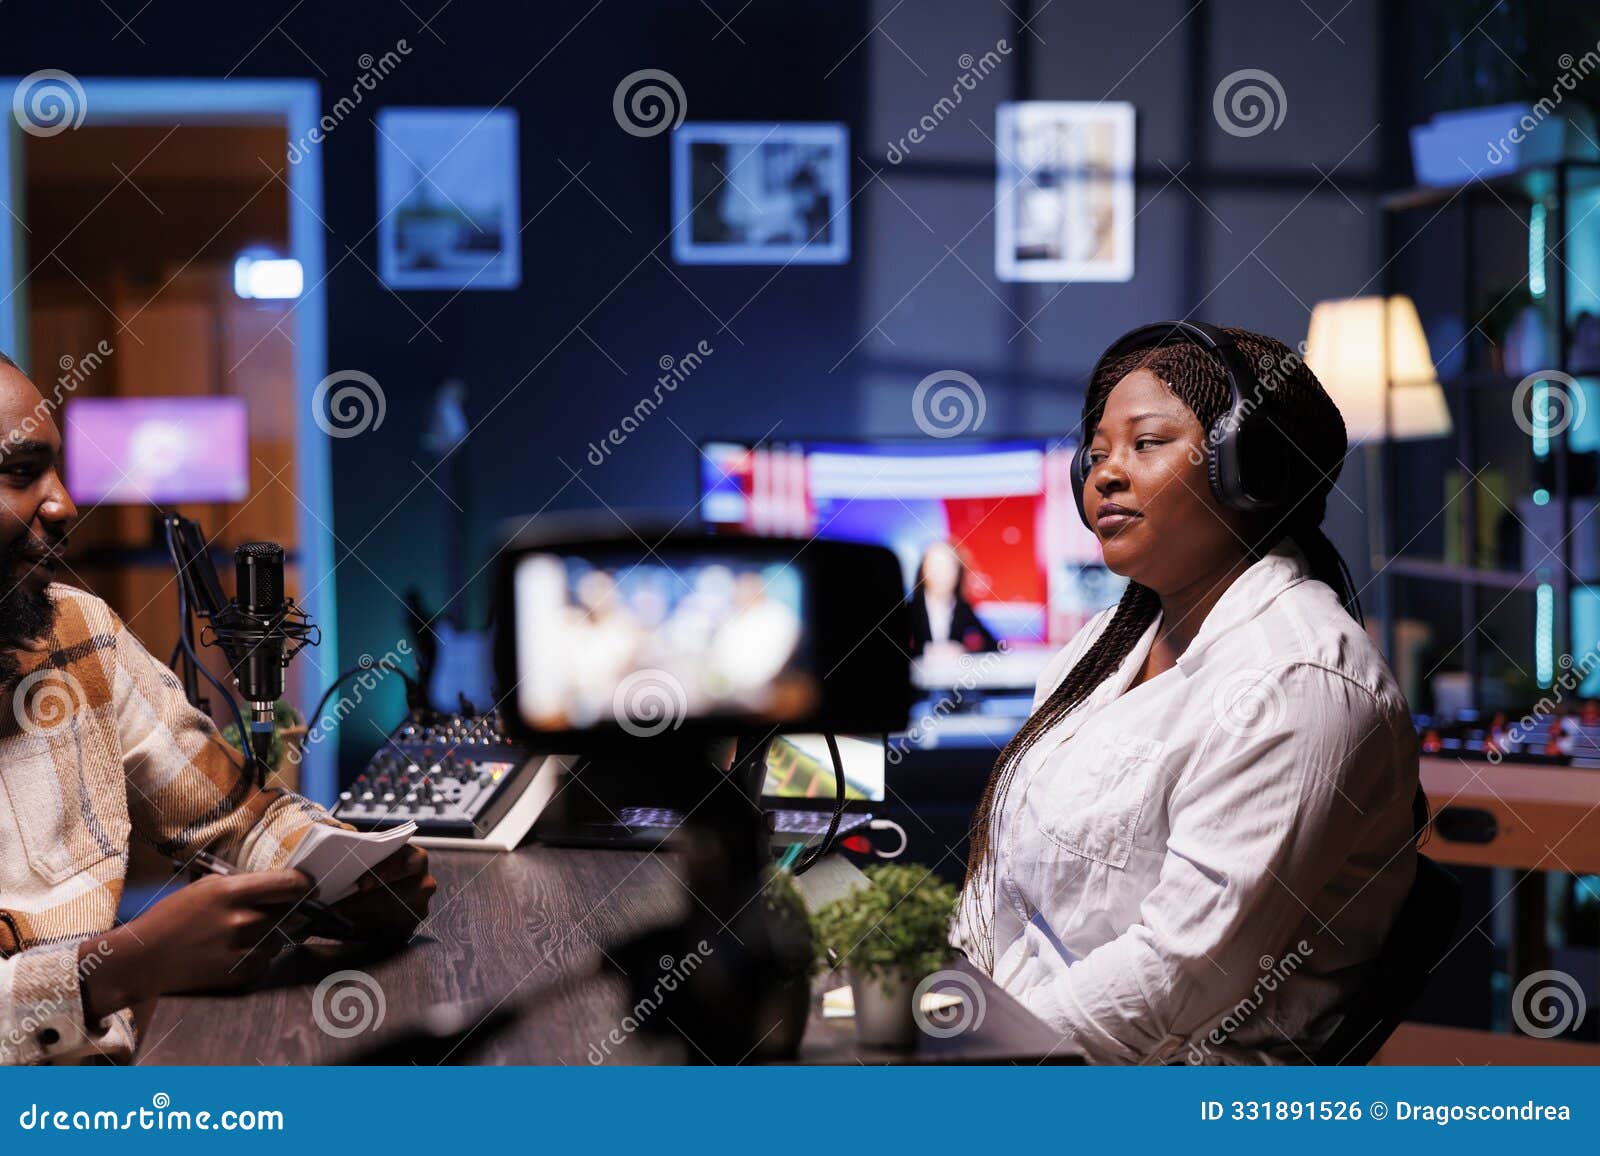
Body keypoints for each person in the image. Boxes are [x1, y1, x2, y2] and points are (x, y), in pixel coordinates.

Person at [954, 325, 1425, 1065]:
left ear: (1252, 468)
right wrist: (944, 1014)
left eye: (1146, 444)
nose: (1106, 473)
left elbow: (1174, 979)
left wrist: (963, 1060)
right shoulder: (1102, 645)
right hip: (1011, 1053)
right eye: (1098, 451)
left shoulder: (1301, 684)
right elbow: (997, 888)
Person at [0, 352, 435, 1065]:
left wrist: (346, 876)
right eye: (21, 472)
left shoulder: (81, 634)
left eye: (56, 470)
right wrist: (120, 966)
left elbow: (238, 817)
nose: (64, 503)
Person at [905, 540, 999, 658]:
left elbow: (995, 646)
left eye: (947, 566)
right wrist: (926, 650)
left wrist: (963, 651)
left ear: (957, 571)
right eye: (935, 566)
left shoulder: (963, 609)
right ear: (923, 570)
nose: (941, 573)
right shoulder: (909, 609)